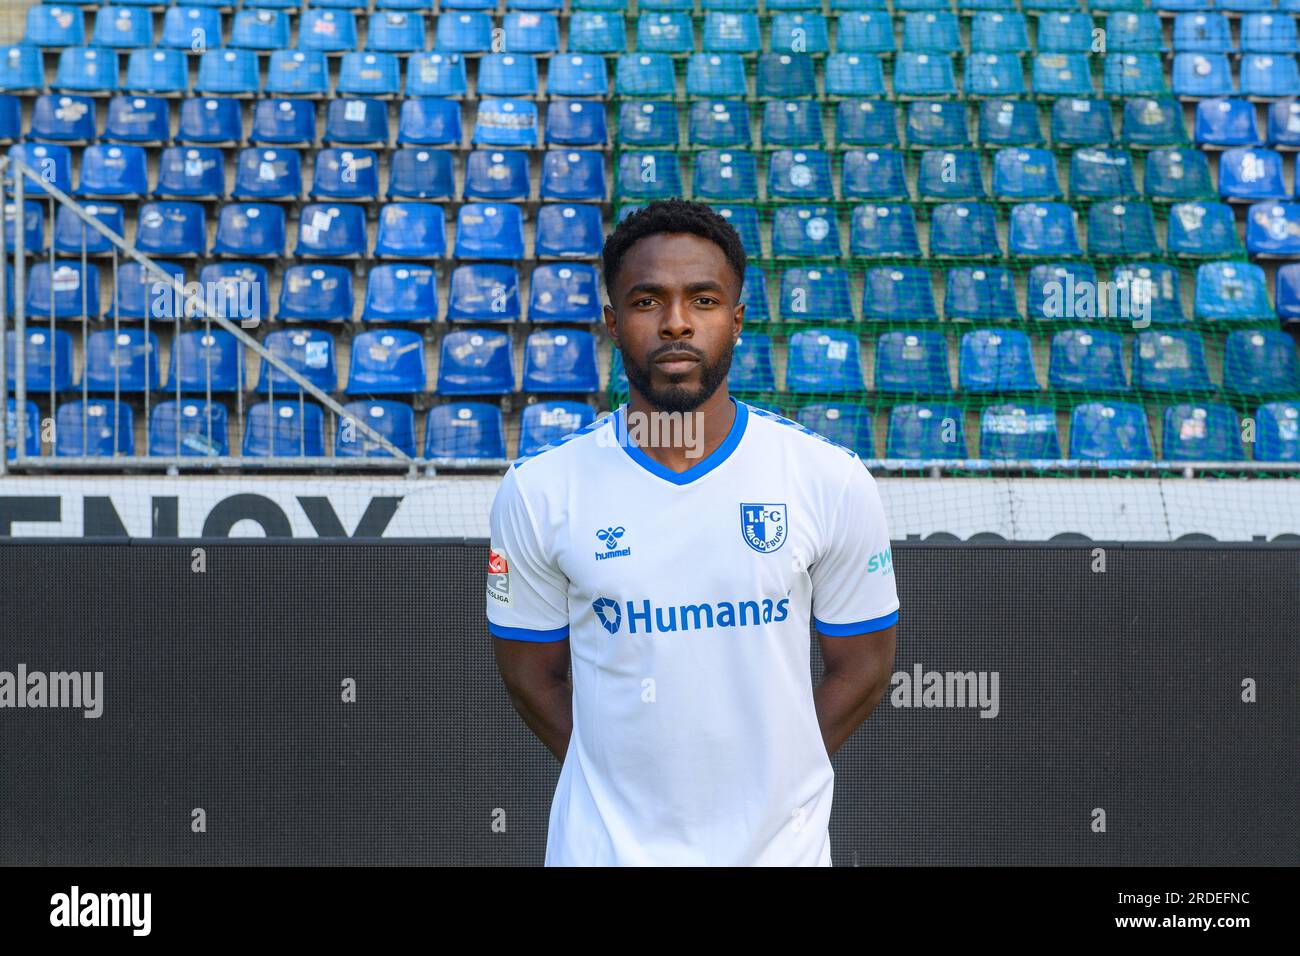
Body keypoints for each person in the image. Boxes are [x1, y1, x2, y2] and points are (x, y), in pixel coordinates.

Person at [487, 198, 899, 866]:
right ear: (613, 323)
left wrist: (771, 784)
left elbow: (865, 668)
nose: (676, 322)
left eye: (703, 301)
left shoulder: (829, 479)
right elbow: (531, 680)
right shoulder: (539, 491)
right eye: (648, 301)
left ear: (736, 322)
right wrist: (622, 784)